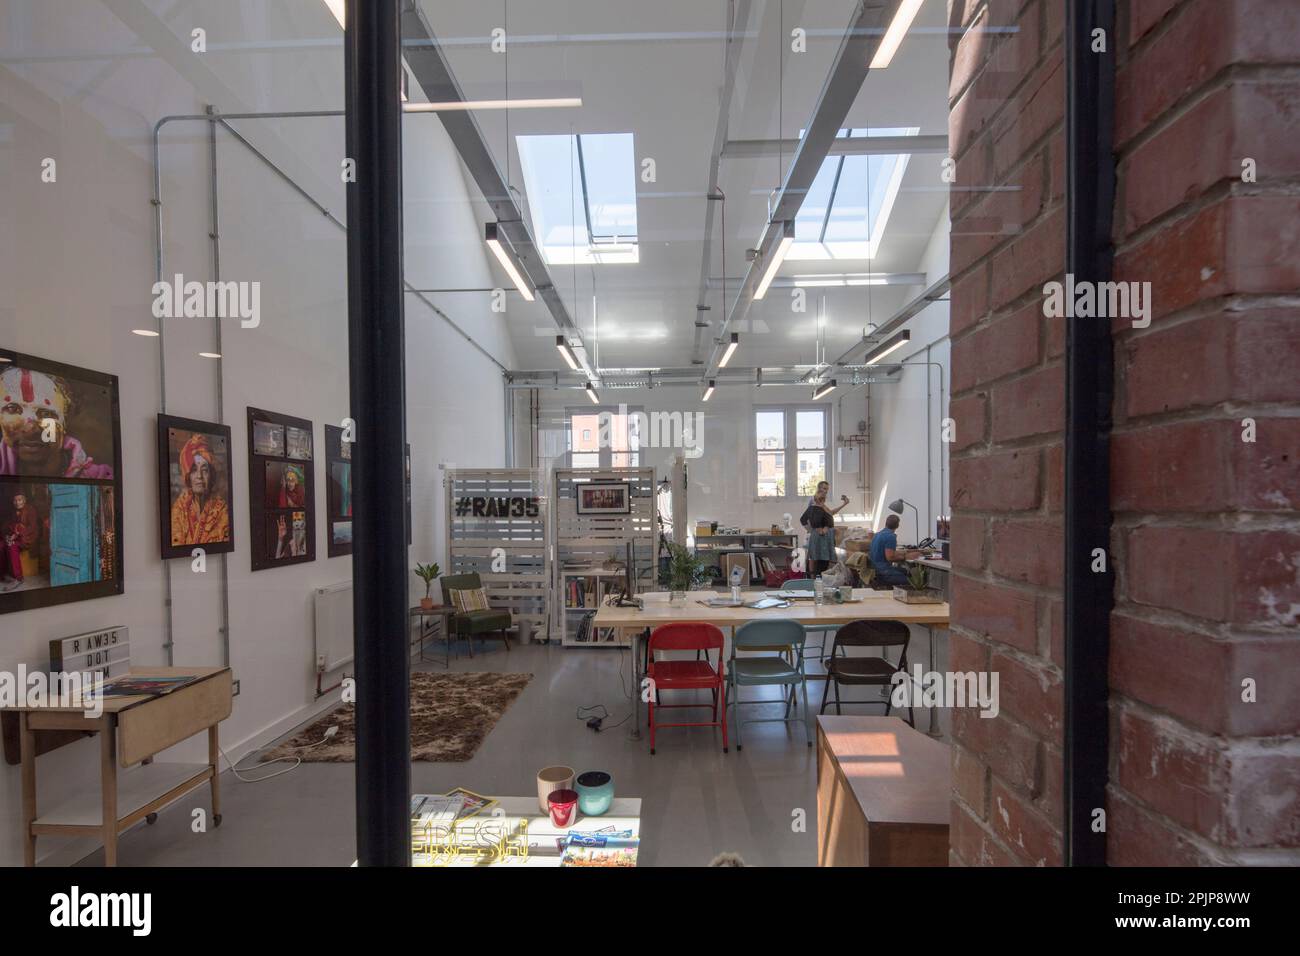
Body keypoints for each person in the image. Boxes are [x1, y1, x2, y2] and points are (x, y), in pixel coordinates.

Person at [0, 367, 113, 478]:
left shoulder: (101, 476)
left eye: (46, 414)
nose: (30, 429)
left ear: (65, 420)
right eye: (12, 409)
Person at [170, 433, 230, 546]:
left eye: (205, 470)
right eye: (194, 470)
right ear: (188, 476)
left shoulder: (222, 511)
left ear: (211, 476)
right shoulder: (179, 510)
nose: (199, 476)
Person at [800, 481, 849, 578]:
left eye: (827, 489)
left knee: (821, 558)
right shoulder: (815, 502)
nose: (826, 491)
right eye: (824, 488)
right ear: (819, 488)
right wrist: (815, 529)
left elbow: (830, 513)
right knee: (815, 557)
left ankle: (819, 578)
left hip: (824, 535)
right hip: (818, 535)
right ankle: (814, 579)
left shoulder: (821, 504)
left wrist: (844, 504)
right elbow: (812, 517)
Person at [868, 513, 920, 586]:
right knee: (913, 582)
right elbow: (890, 557)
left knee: (905, 571)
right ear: (897, 525)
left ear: (885, 523)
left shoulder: (877, 534)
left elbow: (886, 552)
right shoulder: (891, 536)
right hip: (884, 572)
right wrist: (906, 557)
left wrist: (905, 552)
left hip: (875, 570)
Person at [0, 492, 38, 591]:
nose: (17, 502)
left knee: (12, 546)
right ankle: (2, 574)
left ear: (24, 501)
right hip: (16, 536)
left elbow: (32, 527)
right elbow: (11, 525)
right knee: (1, 545)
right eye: (15, 500)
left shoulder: (30, 510)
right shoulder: (14, 512)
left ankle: (19, 578)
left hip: (27, 538)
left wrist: (16, 534)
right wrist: (10, 535)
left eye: (19, 500)